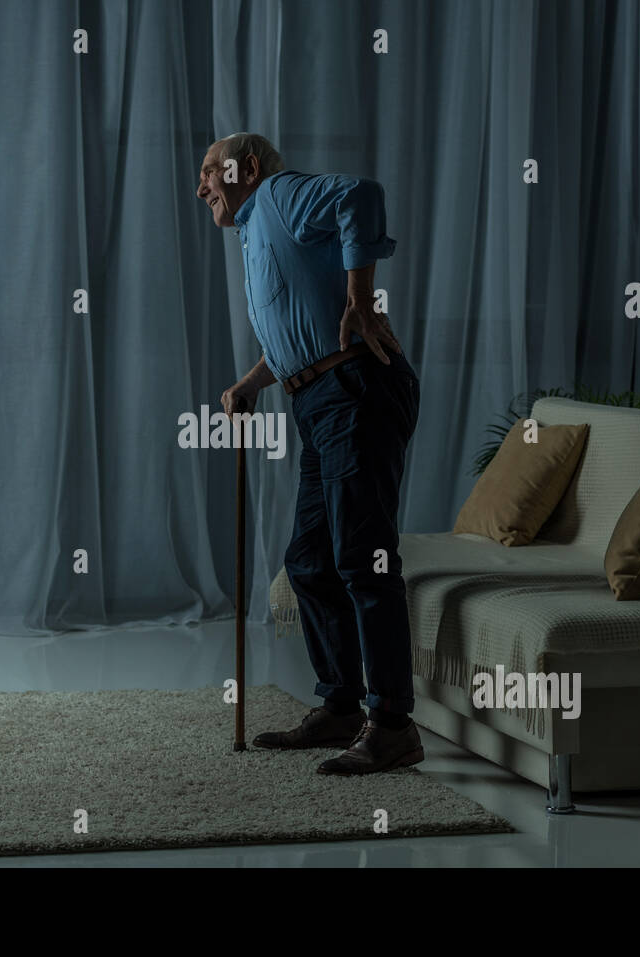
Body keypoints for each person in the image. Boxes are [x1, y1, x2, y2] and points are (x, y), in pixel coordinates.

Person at [196, 132, 422, 775]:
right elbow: (300, 334)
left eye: (211, 171)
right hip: (322, 397)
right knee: (308, 561)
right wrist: (248, 385)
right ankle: (343, 706)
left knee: (363, 558)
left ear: (249, 166)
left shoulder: (277, 193)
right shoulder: (259, 230)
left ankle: (393, 725)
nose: (202, 186)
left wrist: (360, 297)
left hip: (357, 389)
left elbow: (361, 194)